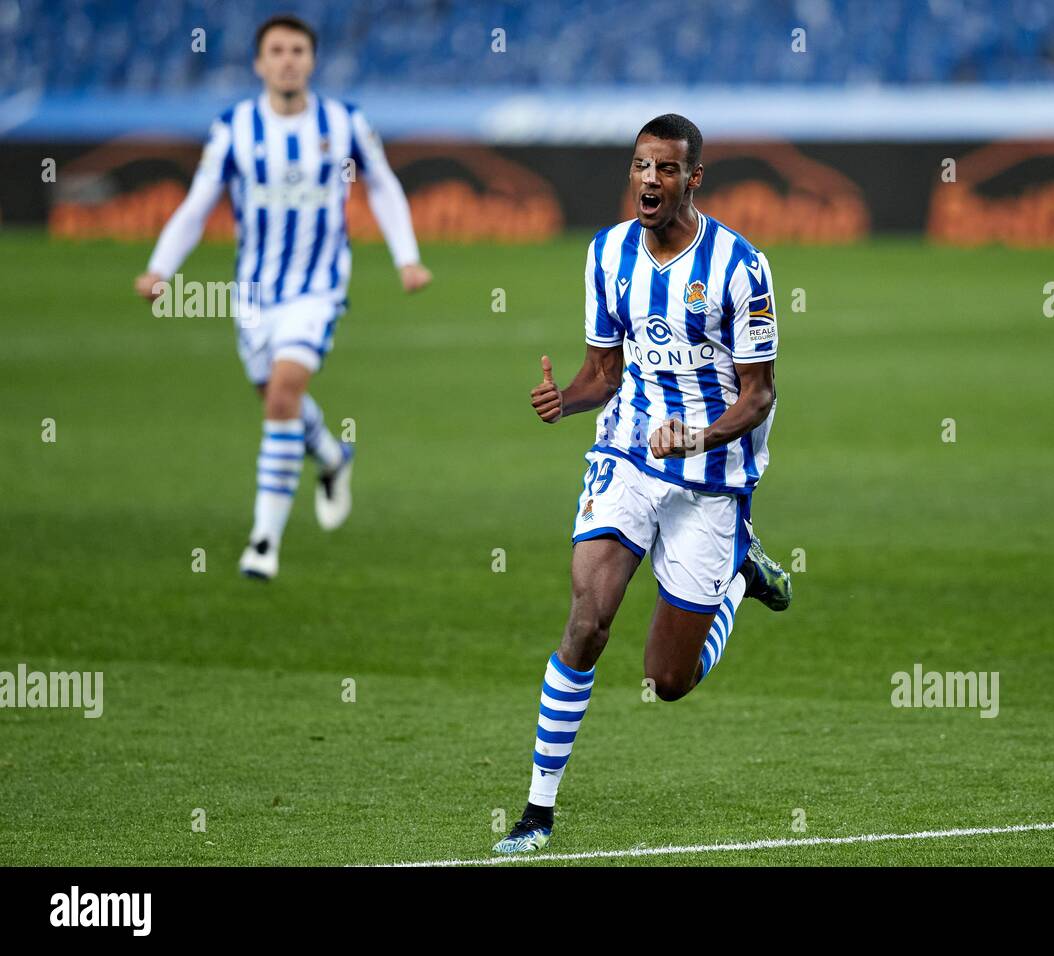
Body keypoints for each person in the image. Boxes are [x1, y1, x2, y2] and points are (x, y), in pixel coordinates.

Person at [494, 113, 791, 855]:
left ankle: (735, 579)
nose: (649, 181)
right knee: (588, 617)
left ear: (694, 178)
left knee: (667, 681)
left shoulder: (740, 266)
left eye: (666, 170)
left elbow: (758, 395)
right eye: (640, 167)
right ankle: (537, 811)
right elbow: (605, 371)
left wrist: (698, 435)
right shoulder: (605, 254)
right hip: (626, 453)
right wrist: (568, 398)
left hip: (711, 473)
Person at [134, 14, 431, 579]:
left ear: (312, 60)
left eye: (298, 49)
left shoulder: (344, 122)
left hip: (317, 287)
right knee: (277, 396)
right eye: (277, 50)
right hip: (254, 292)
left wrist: (406, 257)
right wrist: (160, 267)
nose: (288, 59)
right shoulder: (234, 127)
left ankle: (263, 542)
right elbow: (199, 203)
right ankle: (333, 455)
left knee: (283, 393)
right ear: (259, 63)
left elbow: (385, 185)